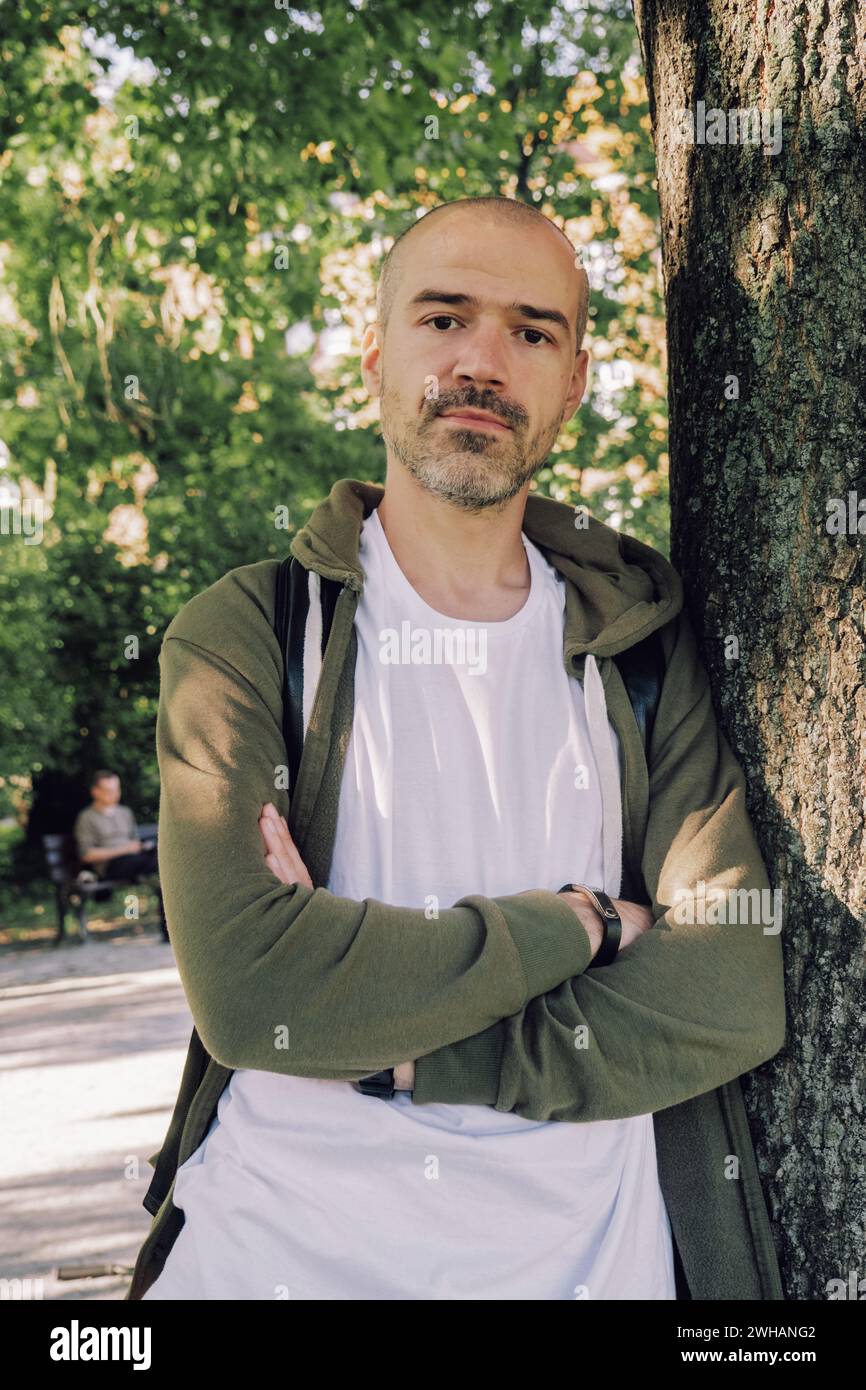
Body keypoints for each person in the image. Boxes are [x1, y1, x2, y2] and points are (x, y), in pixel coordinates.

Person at [127, 196, 786, 1303]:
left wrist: (410, 1052)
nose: (483, 361)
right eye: (444, 318)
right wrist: (583, 921)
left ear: (573, 380)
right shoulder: (248, 631)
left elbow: (729, 988)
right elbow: (252, 992)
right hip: (275, 1257)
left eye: (532, 331)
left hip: (586, 1268)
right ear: (376, 353)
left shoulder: (634, 649)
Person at [74, 770, 158, 882]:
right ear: (95, 792)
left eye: (117, 789)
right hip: (110, 865)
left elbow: (135, 842)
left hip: (135, 859)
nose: (116, 794)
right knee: (148, 860)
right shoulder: (87, 817)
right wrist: (123, 849)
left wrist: (143, 846)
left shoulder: (125, 812)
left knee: (161, 853)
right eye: (110, 791)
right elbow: (86, 855)